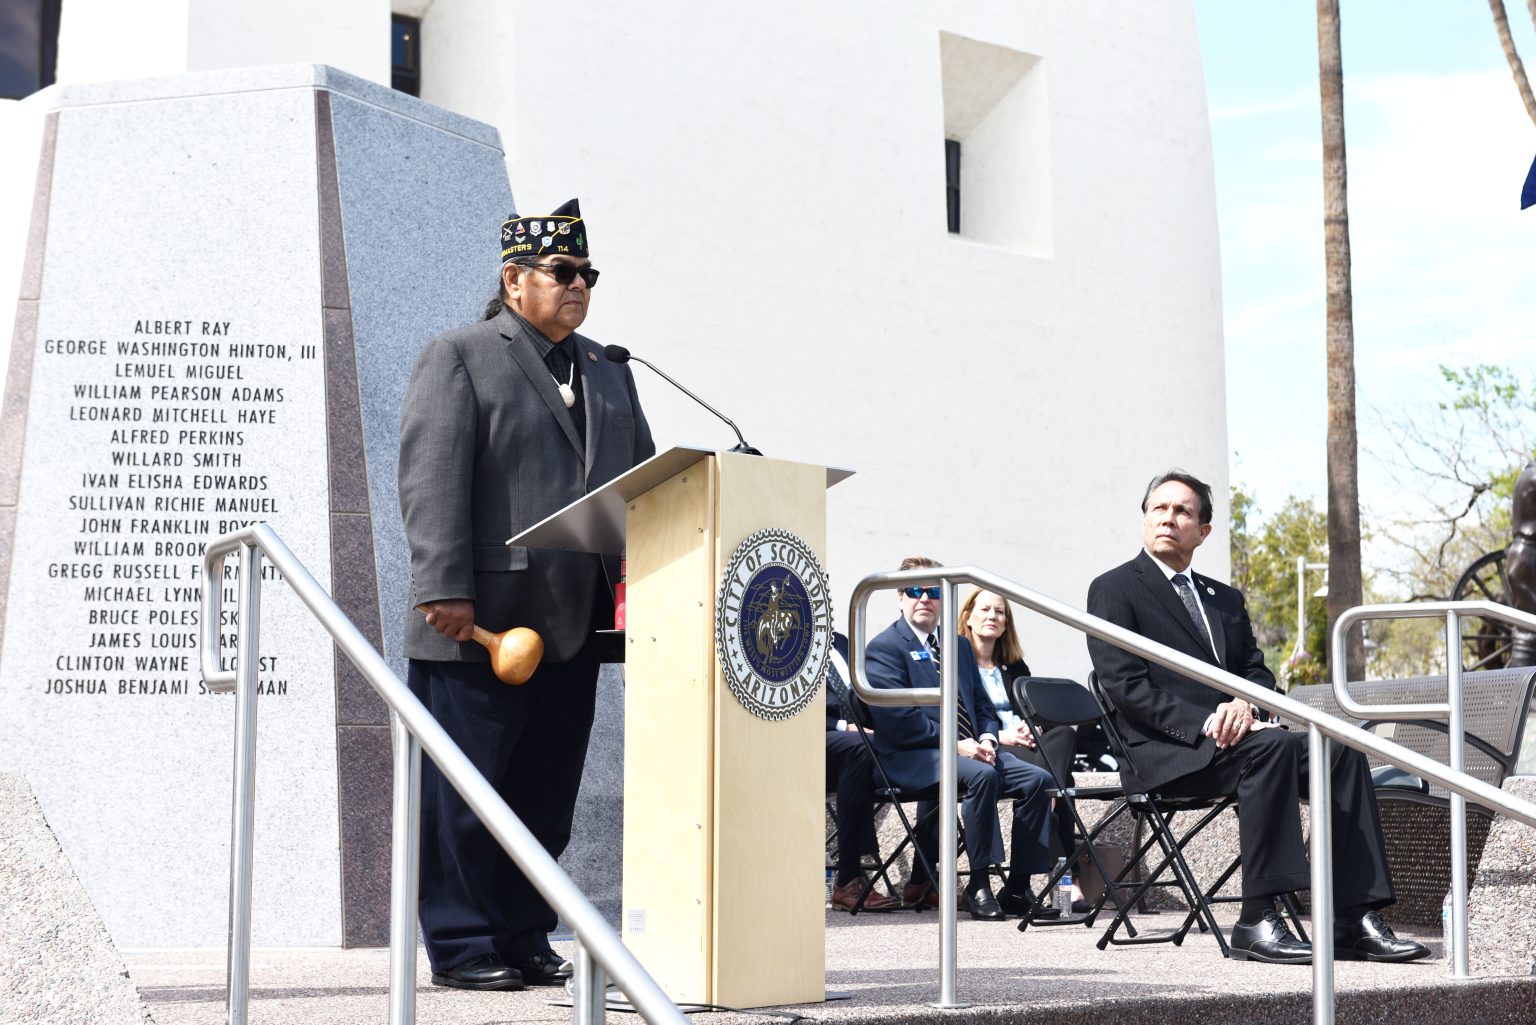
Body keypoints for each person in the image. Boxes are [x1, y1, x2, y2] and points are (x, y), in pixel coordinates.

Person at [398, 199, 655, 990]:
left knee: (545, 796)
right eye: (563, 272)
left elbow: (643, 486)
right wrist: (442, 584)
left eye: (588, 275)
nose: (579, 287)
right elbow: (432, 471)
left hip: (574, 625)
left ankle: (524, 930)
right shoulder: (462, 355)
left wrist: (645, 583)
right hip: (482, 621)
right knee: (466, 796)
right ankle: (463, 940)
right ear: (515, 280)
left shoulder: (609, 371)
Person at [1086, 469, 1428, 964]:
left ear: (1203, 531)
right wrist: (1207, 723)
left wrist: (1247, 705)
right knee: (1275, 747)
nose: (1168, 518)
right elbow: (1126, 687)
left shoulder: (1224, 600)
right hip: (1167, 750)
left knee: (1340, 749)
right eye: (1159, 509)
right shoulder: (1114, 589)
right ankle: (1257, 919)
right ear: (1145, 519)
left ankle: (1353, 918)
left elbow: (1256, 673)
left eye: (1182, 511)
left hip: (1242, 741)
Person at [865, 556, 1054, 921]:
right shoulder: (886, 647)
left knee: (1038, 780)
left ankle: (1017, 886)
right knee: (982, 776)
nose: (925, 598)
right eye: (915, 590)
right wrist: (956, 745)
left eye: (934, 590)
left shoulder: (959, 646)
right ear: (900, 597)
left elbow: (982, 706)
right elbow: (897, 723)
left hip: (971, 750)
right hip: (913, 756)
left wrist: (988, 740)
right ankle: (979, 883)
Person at [959, 587, 1075, 911]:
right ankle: (1066, 875)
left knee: (1063, 735)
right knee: (1057, 782)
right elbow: (969, 717)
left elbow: (1032, 710)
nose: (993, 616)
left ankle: (1020, 884)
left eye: (1000, 612)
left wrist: (1032, 727)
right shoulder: (957, 663)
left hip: (1027, 745)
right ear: (967, 616)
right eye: (985, 609)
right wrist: (1002, 736)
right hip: (994, 746)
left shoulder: (1014, 664)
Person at [824, 632, 896, 910]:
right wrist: (844, 727)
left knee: (929, 747)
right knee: (863, 748)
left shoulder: (841, 641)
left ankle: (923, 877)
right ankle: (849, 877)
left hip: (862, 741)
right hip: (816, 738)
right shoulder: (790, 642)